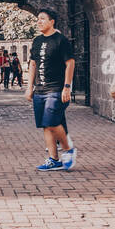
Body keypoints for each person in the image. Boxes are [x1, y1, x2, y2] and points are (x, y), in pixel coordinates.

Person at [25, 9, 77, 171]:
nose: (39, 22)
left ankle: (68, 149)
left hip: (56, 88)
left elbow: (70, 63)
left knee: (52, 122)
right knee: (45, 126)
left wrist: (67, 87)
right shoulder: (37, 41)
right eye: (38, 19)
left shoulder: (61, 40)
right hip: (40, 89)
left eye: (42, 19)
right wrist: (29, 86)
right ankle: (54, 160)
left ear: (52, 21)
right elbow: (33, 64)